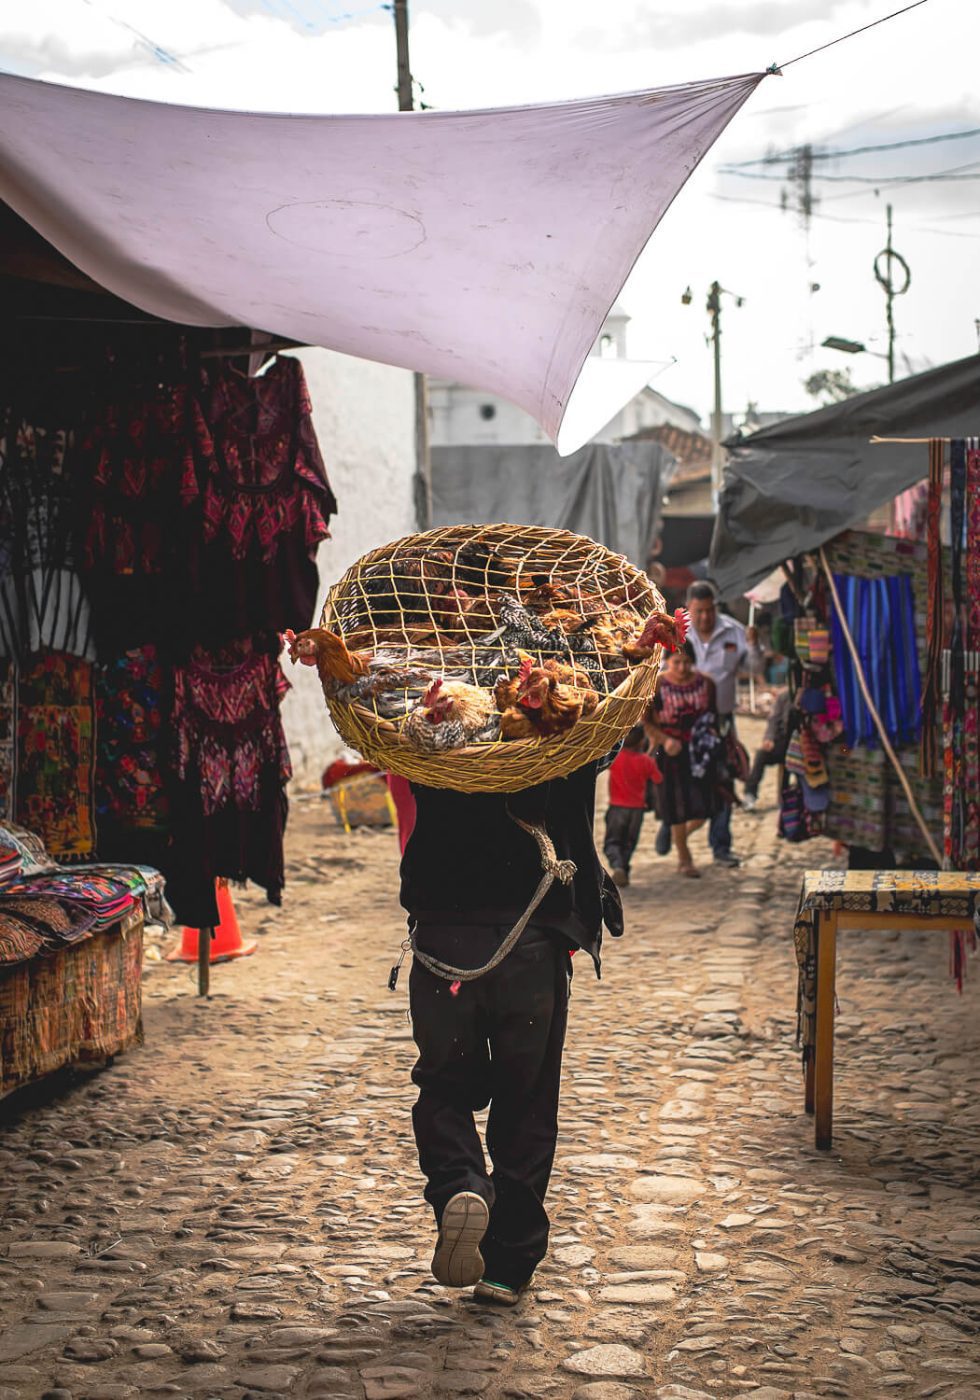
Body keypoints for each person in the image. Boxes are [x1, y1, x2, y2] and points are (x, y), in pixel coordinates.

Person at [399, 761, 623, 1307]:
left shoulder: (421, 719)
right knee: (526, 1098)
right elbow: (615, 727)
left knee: (443, 1086)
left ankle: (460, 1185)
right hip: (533, 935)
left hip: (443, 936)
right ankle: (507, 1264)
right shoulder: (569, 723)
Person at [684, 580, 763, 866]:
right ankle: (675, 834)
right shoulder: (677, 632)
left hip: (721, 719)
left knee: (723, 779)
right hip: (684, 720)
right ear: (688, 609)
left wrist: (754, 647)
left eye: (710, 610)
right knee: (681, 779)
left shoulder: (733, 631)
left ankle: (721, 845)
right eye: (699, 611)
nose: (705, 617)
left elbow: (754, 670)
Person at [644, 642, 720, 878]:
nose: (682, 667)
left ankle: (677, 836)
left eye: (687, 662)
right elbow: (647, 721)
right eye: (677, 661)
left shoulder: (706, 683)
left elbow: (712, 716)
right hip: (670, 753)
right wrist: (664, 740)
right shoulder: (657, 684)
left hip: (699, 752)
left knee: (705, 807)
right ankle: (684, 859)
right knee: (677, 806)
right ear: (667, 661)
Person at [603, 725, 662, 887]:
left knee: (613, 842)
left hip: (617, 807)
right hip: (637, 810)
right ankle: (623, 870)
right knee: (629, 843)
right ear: (641, 742)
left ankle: (617, 866)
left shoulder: (616, 758)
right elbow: (657, 779)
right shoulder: (646, 762)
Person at [742, 688, 792, 811]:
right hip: (782, 742)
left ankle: (784, 798)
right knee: (761, 755)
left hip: (801, 746)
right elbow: (774, 720)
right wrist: (769, 738)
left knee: (788, 766)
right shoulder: (785, 696)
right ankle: (750, 794)